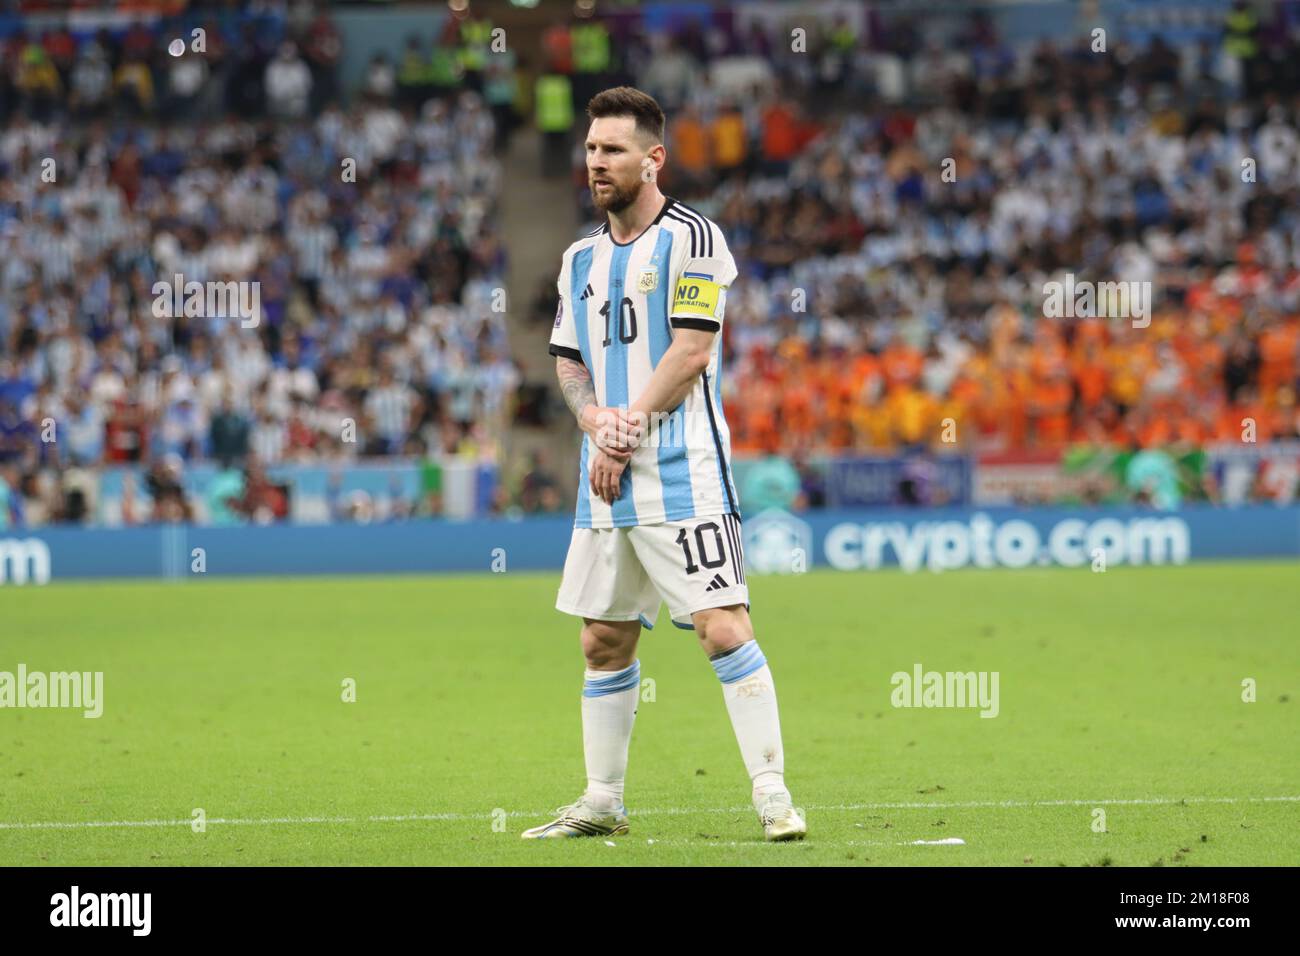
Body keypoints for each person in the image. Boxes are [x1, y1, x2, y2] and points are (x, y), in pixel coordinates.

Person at [522, 87, 805, 843]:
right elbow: (570, 362)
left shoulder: (694, 239)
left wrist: (623, 433)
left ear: (653, 159)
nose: (596, 163)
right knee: (602, 639)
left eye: (612, 150)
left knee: (721, 626)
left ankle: (773, 794)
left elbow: (692, 349)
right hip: (606, 476)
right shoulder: (578, 258)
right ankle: (602, 799)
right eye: (590, 150)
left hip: (682, 469)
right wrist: (590, 421)